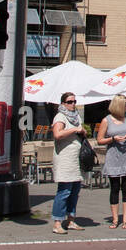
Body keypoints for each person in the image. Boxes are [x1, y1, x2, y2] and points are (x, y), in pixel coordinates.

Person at [97, 94, 126, 229]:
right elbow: (99, 140)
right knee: (114, 188)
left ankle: (125, 219)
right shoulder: (106, 120)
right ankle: (115, 219)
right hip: (114, 156)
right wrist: (113, 139)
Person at [50, 93, 86, 235]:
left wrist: (82, 131)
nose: (72, 104)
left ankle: (70, 219)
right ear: (63, 103)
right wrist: (74, 129)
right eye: (69, 101)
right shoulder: (60, 117)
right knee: (64, 191)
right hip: (65, 158)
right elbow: (57, 134)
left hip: (75, 158)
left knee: (75, 191)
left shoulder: (76, 116)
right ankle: (57, 222)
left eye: (74, 101)